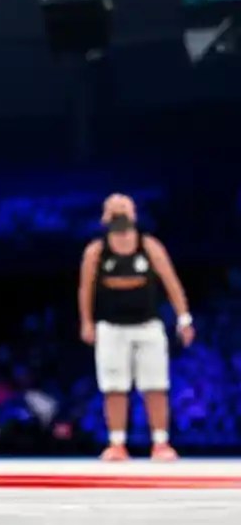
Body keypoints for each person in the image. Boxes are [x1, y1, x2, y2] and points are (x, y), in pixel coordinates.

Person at [78, 193, 193, 462]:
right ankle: (117, 443)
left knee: (155, 385)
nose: (119, 214)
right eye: (114, 210)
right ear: (105, 217)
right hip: (111, 328)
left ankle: (161, 443)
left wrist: (184, 318)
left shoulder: (149, 246)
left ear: (133, 215)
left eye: (123, 209)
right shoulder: (96, 251)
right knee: (114, 386)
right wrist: (86, 321)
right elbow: (86, 289)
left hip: (147, 326)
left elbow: (171, 282)